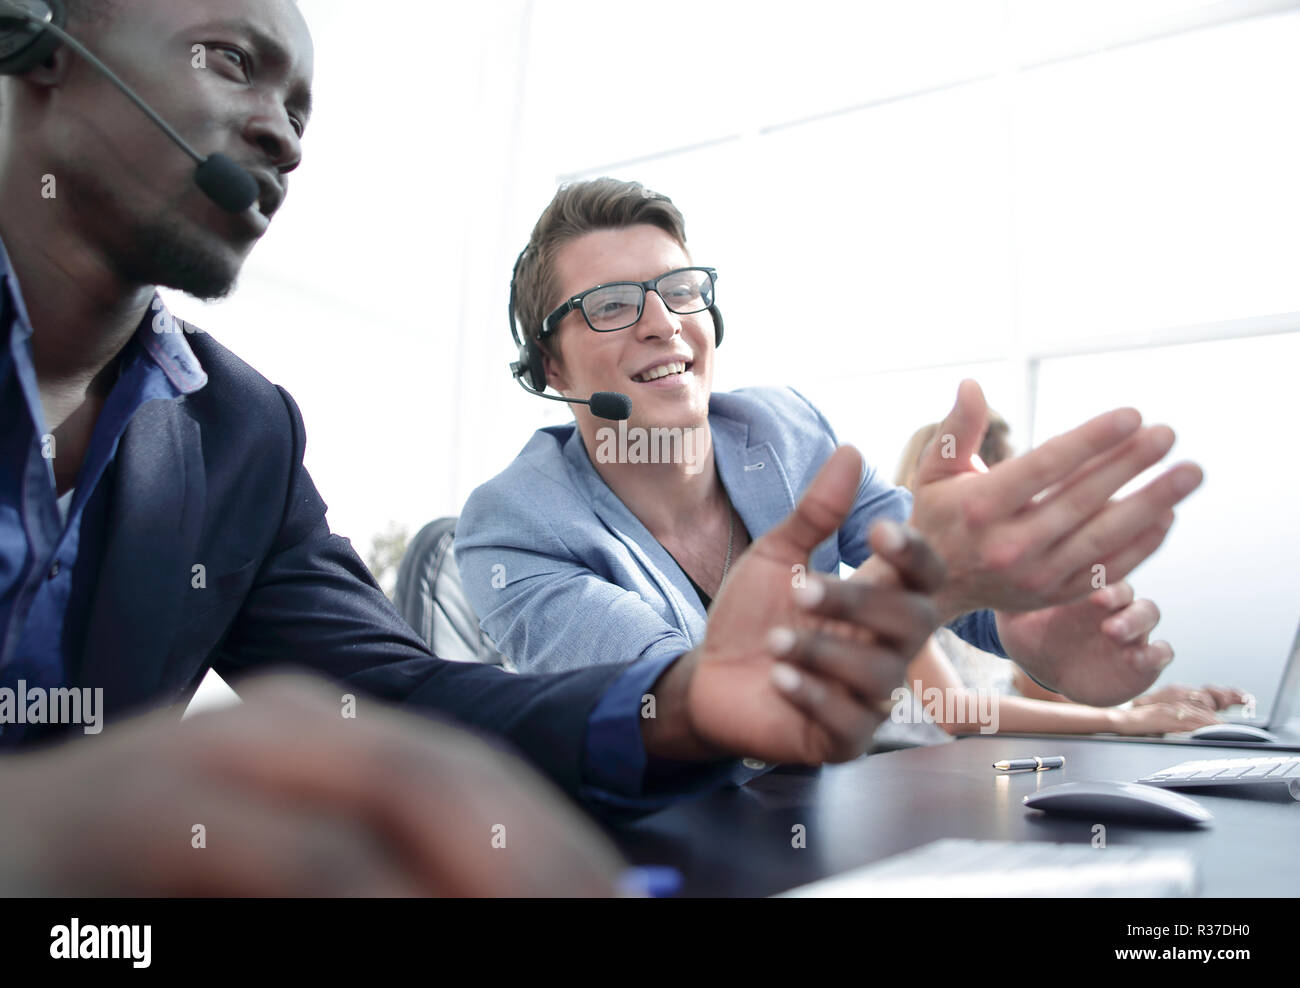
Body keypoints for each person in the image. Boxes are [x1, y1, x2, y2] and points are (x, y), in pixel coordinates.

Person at [0, 0, 947, 893]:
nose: (282, 137)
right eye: (233, 64)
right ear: (36, 37)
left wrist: (681, 703)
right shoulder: (523, 519)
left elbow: (399, 698)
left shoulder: (240, 433)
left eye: (300, 113)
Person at [456, 177, 1206, 709]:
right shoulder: (516, 526)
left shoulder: (786, 431)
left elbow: (938, 551)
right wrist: (926, 588)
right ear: (549, 366)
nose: (663, 323)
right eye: (613, 304)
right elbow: (691, 703)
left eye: (681, 290)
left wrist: (1027, 623)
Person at [887, 421, 1248, 740]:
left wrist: (1145, 705)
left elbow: (1038, 692)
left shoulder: (999, 590)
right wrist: (1121, 720)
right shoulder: (900, 580)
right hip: (918, 773)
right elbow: (956, 711)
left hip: (979, 765)